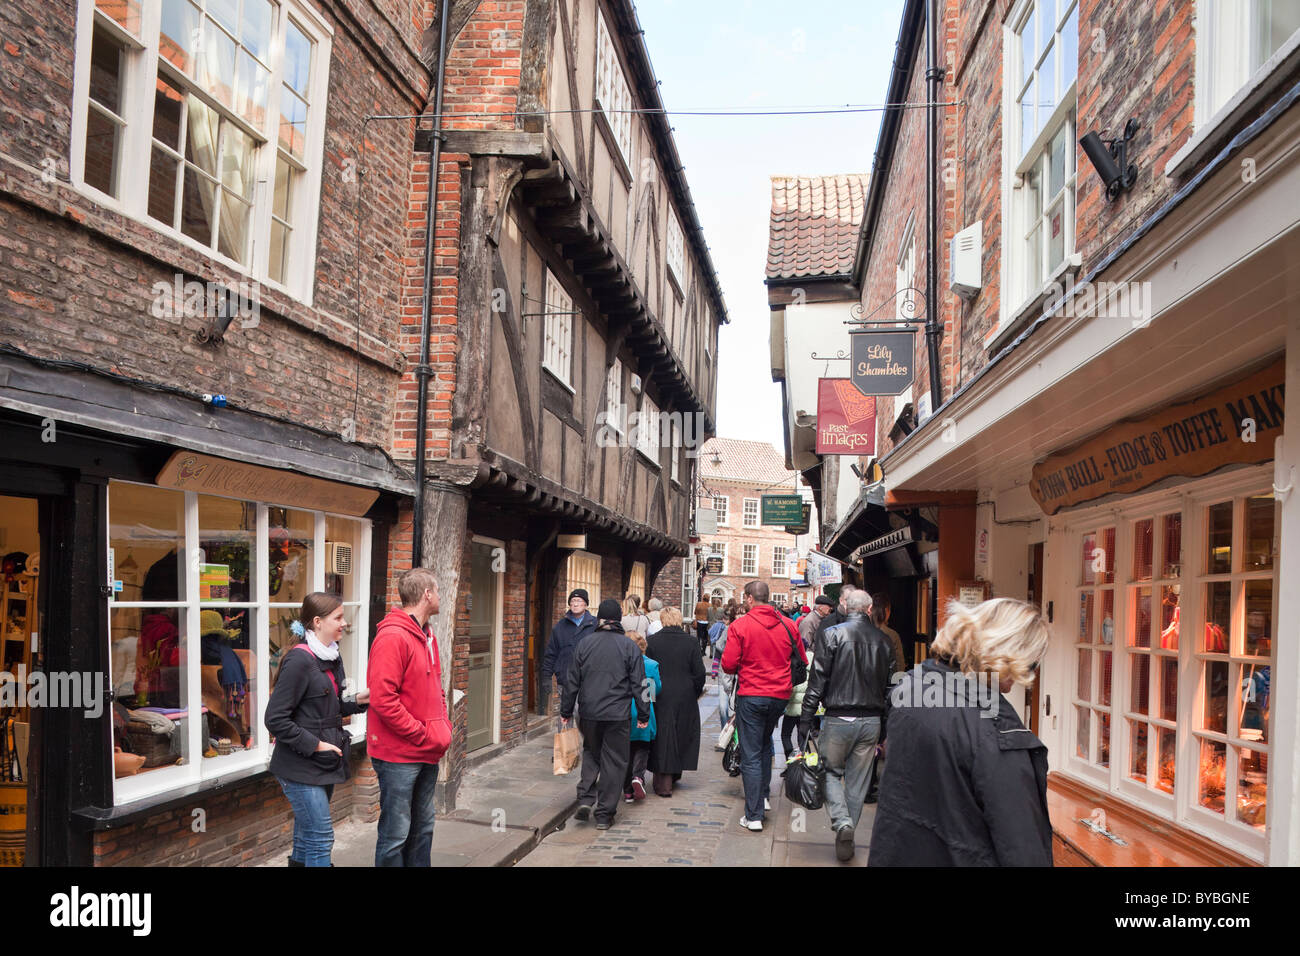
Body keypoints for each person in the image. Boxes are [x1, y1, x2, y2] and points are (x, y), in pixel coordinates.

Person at [869, 598, 1052, 867]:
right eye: (1030, 663)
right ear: (1006, 653)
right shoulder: (994, 732)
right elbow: (1023, 849)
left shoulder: (913, 689)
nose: (1029, 673)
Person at [266, 591, 369, 867]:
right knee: (321, 837)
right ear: (317, 622)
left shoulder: (332, 656)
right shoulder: (300, 661)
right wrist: (316, 745)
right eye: (338, 617)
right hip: (299, 765)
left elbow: (330, 707)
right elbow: (275, 719)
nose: (344, 623)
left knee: (306, 837)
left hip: (323, 764)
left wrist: (358, 701)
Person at [799, 589, 895, 862]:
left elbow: (816, 682)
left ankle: (842, 824)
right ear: (868, 610)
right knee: (858, 781)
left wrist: (806, 719)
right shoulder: (884, 641)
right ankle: (847, 831)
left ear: (846, 608)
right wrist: (886, 727)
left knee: (830, 772)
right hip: (871, 721)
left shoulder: (831, 635)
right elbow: (891, 689)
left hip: (838, 717)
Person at [366, 567, 452, 867]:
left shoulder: (427, 635)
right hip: (399, 755)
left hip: (426, 751)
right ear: (427, 594)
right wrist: (421, 733)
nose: (441, 596)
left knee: (423, 828)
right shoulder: (392, 637)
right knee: (396, 834)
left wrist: (442, 724)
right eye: (438, 590)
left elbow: (436, 688)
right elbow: (382, 699)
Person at [720, 581, 807, 832]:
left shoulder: (741, 626)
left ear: (749, 598)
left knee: (750, 753)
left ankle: (754, 814)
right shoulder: (789, 625)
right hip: (779, 696)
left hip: (751, 694)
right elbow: (801, 658)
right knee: (765, 742)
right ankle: (764, 796)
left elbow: (727, 664)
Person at [562, 599, 648, 829]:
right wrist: (643, 714)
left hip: (589, 712)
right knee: (615, 761)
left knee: (591, 752)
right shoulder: (629, 647)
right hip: (617, 714)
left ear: (600, 618)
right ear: (619, 619)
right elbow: (641, 684)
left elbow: (572, 680)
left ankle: (586, 798)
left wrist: (566, 710)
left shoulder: (585, 643)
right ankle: (604, 814)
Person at [646, 607, 706, 796]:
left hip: (660, 693)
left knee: (662, 736)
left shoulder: (652, 642)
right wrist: (695, 691)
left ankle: (663, 779)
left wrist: (647, 698)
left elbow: (647, 672)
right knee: (680, 733)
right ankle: (673, 774)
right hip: (684, 693)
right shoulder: (691, 642)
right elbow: (699, 672)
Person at [542, 589, 597, 714]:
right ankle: (565, 734)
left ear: (585, 604)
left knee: (585, 716)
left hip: (588, 680)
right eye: (573, 601)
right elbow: (551, 653)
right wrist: (546, 676)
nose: (575, 604)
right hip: (565, 679)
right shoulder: (560, 626)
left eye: (579, 601)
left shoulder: (595, 625)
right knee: (566, 715)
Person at [624, 630, 660, 802]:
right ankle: (638, 776)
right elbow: (654, 691)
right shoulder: (651, 665)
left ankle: (628, 792)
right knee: (642, 747)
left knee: (625, 751)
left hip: (623, 709)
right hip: (643, 708)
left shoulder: (620, 662)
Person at [781, 646, 814, 761]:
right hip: (806, 708)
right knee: (802, 737)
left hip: (791, 708)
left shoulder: (790, 661)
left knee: (785, 735)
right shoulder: (811, 661)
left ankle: (791, 761)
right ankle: (803, 763)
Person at [871, 592, 906, 674]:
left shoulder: (863, 632)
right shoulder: (892, 635)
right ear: (887, 610)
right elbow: (900, 666)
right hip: (886, 682)